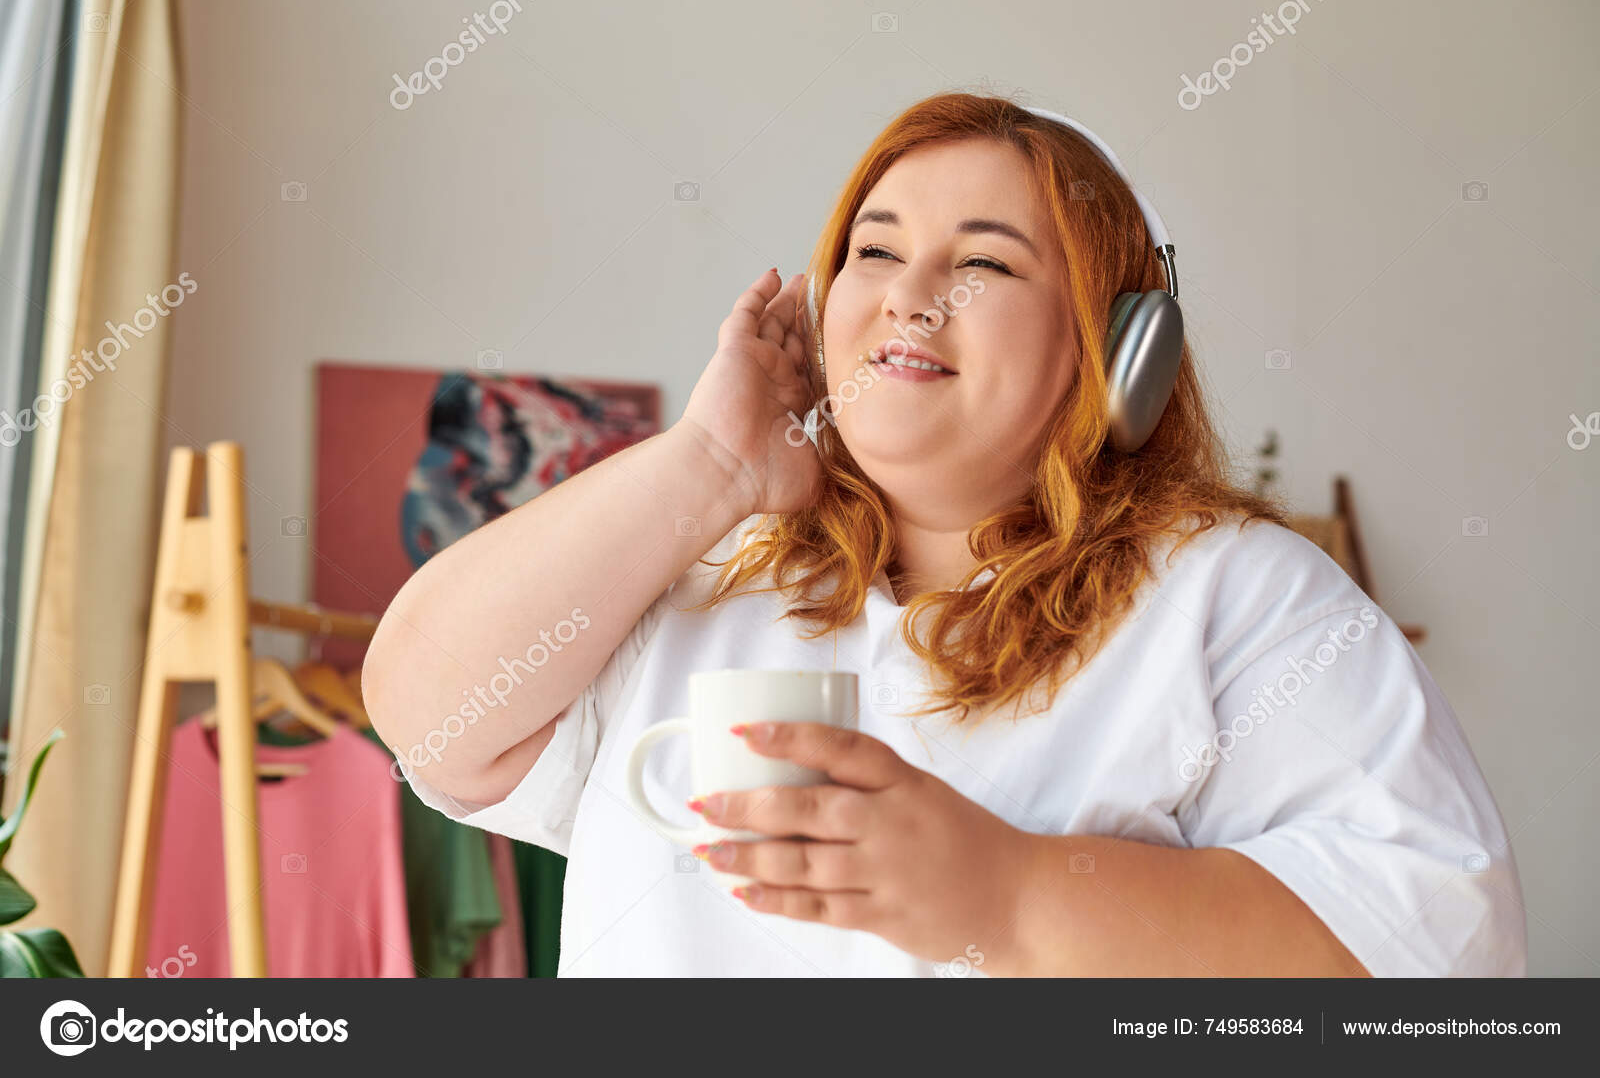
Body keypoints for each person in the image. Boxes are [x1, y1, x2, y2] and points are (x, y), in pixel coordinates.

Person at [363, 91, 1526, 977]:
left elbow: (1440, 943)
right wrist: (708, 464)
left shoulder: (1234, 598)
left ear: (1120, 354)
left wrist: (1009, 896)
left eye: (982, 262)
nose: (909, 295)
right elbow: (435, 728)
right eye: (873, 250)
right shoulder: (702, 569)